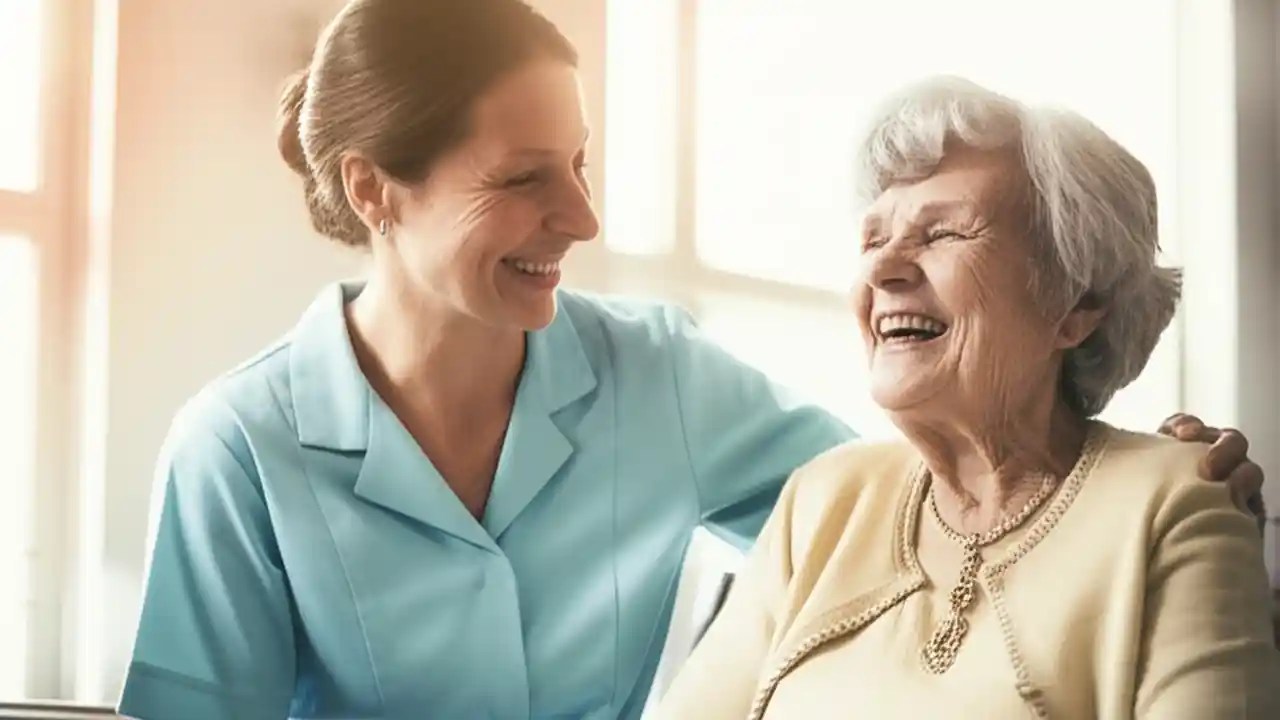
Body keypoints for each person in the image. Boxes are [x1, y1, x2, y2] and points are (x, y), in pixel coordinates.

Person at [116, 2, 1267, 719]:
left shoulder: (660, 376)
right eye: (524, 178)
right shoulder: (242, 445)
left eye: (580, 162)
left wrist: (1141, 482)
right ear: (375, 189)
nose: (580, 215)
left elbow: (948, 488)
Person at [654, 77, 1280, 720]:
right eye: (873, 239)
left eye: (944, 233)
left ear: (1076, 303)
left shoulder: (1177, 500)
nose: (883, 269)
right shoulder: (821, 502)